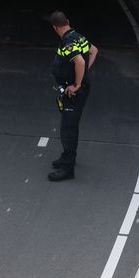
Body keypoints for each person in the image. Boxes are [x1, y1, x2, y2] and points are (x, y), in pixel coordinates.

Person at [48, 11, 98, 182]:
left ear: (55, 27)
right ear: (67, 22)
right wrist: (83, 76)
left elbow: (80, 61)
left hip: (74, 93)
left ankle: (67, 168)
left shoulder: (68, 41)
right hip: (79, 89)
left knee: (68, 129)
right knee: (70, 126)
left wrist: (77, 84)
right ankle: (66, 156)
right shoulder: (78, 36)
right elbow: (94, 51)